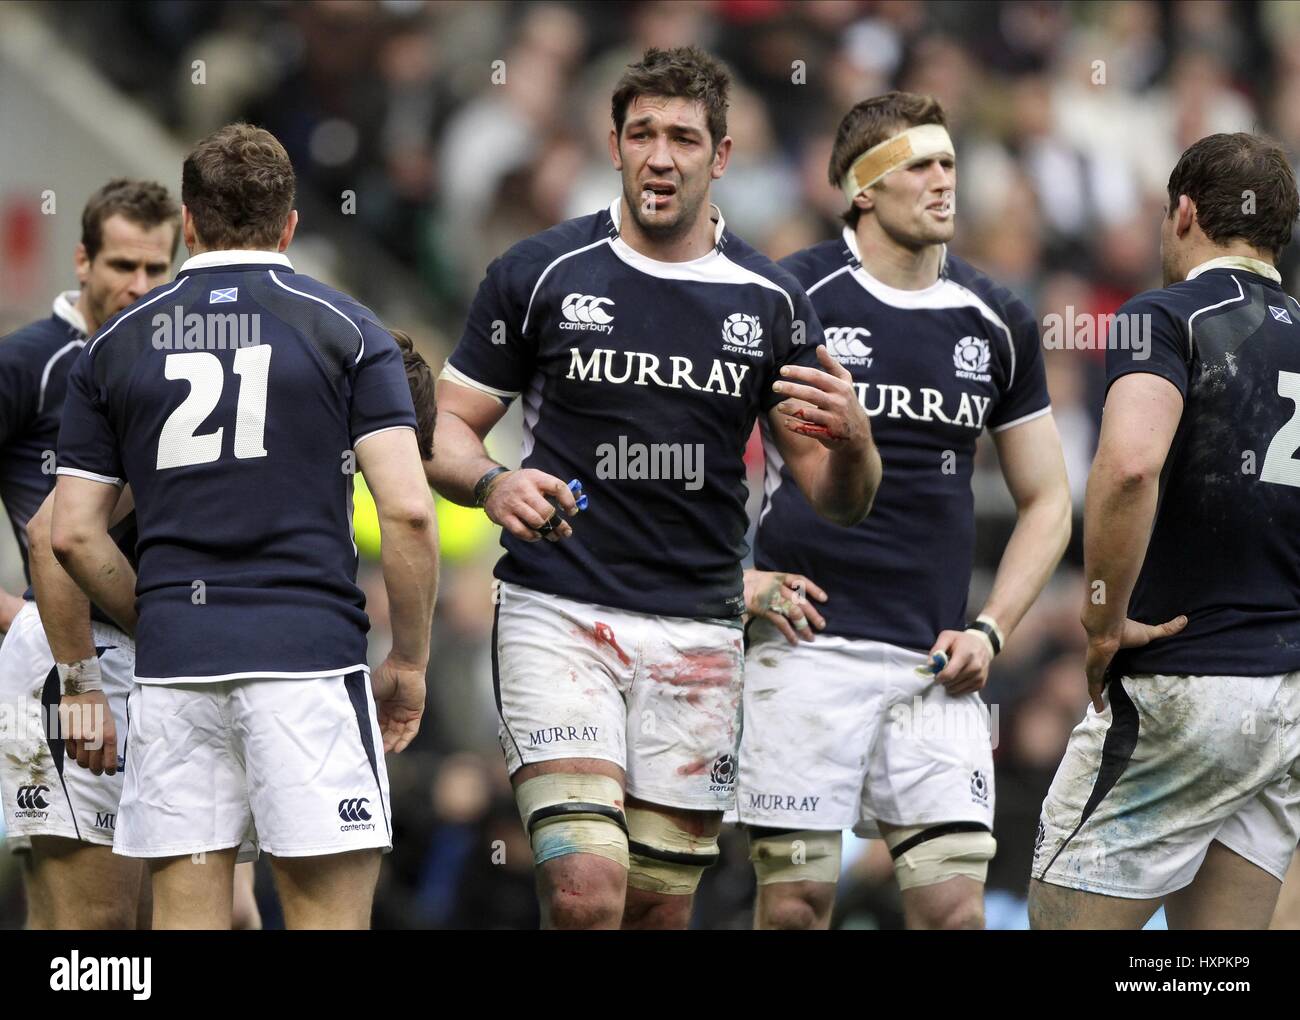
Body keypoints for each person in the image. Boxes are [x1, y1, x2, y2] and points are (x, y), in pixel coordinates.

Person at [428, 46, 880, 930]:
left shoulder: (770, 301)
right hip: (558, 614)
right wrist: (491, 483)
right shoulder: (541, 272)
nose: (660, 156)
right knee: (585, 888)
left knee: (653, 911)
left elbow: (838, 495)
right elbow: (444, 428)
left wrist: (859, 441)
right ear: (614, 143)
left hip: (698, 631)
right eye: (642, 134)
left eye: (682, 137)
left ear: (721, 157)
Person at [50, 124, 438, 929]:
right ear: (290, 224)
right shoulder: (346, 329)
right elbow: (407, 509)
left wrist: (159, 616)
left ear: (187, 223)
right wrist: (408, 657)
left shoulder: (113, 344)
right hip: (306, 666)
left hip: (175, 676)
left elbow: (73, 534)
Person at [737, 92, 1072, 930]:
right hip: (806, 652)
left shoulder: (997, 320)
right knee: (796, 907)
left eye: (950, 163)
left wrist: (992, 628)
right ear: (861, 188)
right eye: (919, 165)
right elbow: (693, 458)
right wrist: (734, 582)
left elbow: (1048, 500)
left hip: (933, 661)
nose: (943, 181)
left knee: (956, 913)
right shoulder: (791, 296)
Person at [1029, 132, 1300, 929]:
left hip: (1184, 683)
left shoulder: (1165, 315)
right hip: (1285, 698)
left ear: (1183, 212)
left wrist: (1103, 616)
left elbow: (1129, 467)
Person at [0, 180, 178, 928]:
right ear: (80, 260)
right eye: (119, 266)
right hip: (66, 660)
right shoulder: (28, 363)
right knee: (90, 931)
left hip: (157, 670)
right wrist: (16, 619)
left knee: (202, 914)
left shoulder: (167, 360)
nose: (137, 287)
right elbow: (56, 533)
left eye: (154, 270)